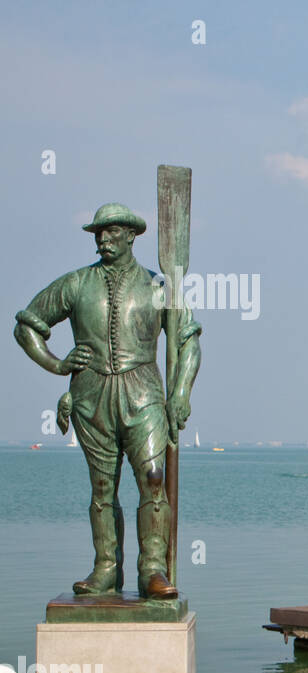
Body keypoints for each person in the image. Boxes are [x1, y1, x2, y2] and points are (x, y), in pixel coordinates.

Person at [14, 203, 201, 599]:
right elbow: (27, 325)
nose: (104, 239)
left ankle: (152, 570)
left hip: (145, 394)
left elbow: (188, 341)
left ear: (132, 235)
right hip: (90, 396)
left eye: (112, 232)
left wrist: (180, 392)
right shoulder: (76, 284)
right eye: (98, 233)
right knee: (102, 490)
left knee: (153, 480)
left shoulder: (159, 287)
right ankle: (106, 568)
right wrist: (57, 363)